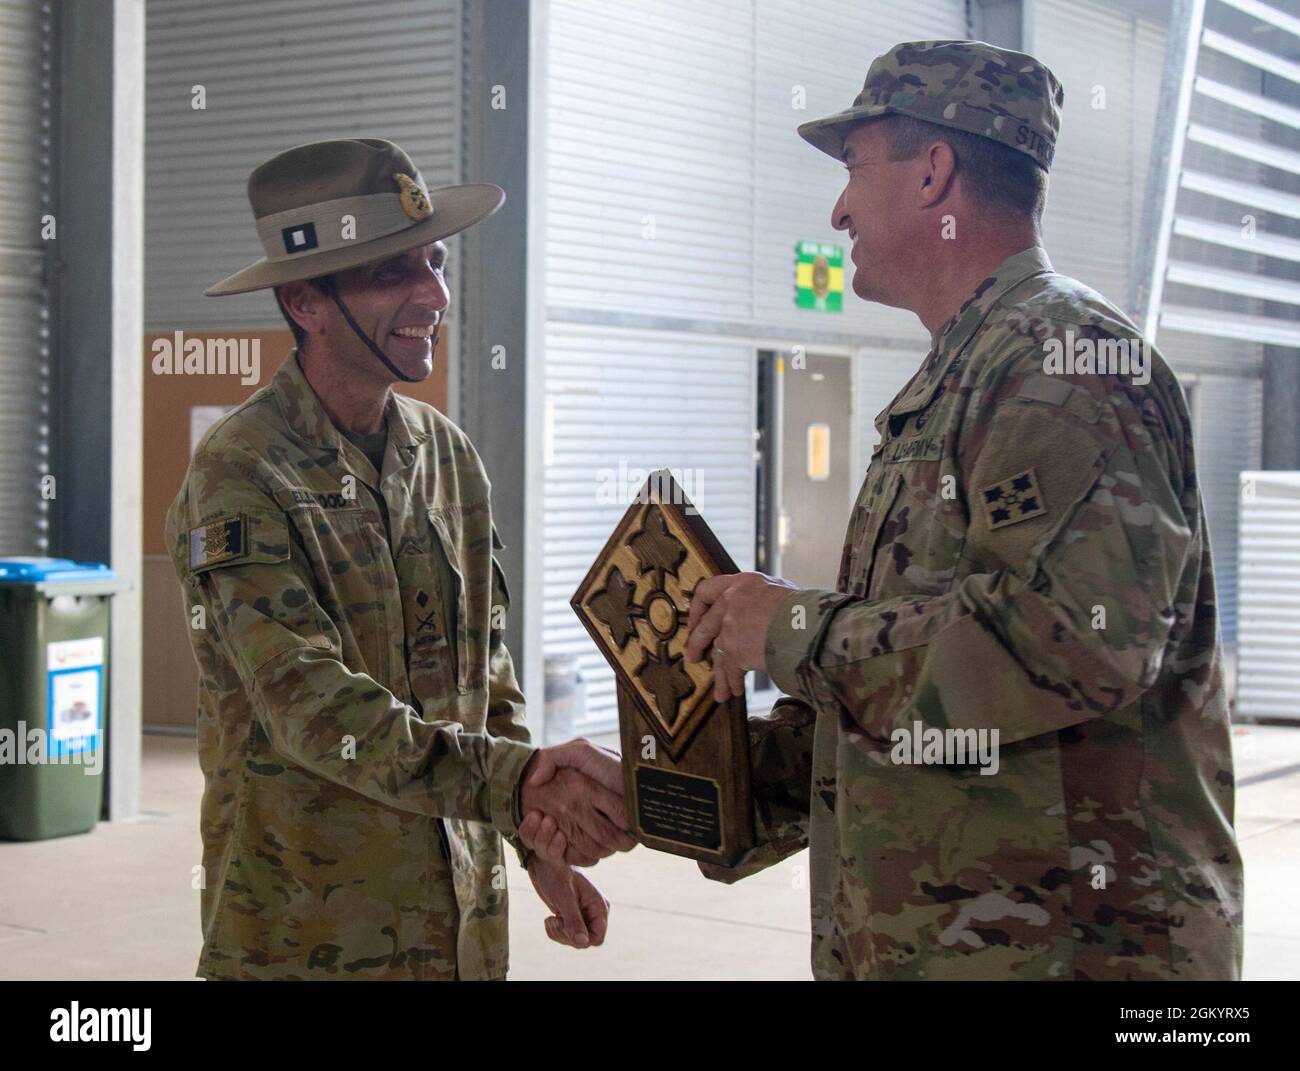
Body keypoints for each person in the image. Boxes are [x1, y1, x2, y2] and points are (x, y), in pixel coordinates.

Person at [677, 40, 1243, 980]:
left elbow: (1068, 643)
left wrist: (793, 631)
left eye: (855, 168)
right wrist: (677, 788)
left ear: (933, 170)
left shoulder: (1064, 365)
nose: (839, 208)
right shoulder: (970, 374)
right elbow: (910, 710)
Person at [165, 138, 633, 980]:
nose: (434, 295)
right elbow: (309, 707)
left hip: (461, 935)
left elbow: (487, 681)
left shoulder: (449, 458)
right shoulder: (240, 472)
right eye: (394, 274)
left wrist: (538, 846)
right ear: (305, 300)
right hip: (309, 934)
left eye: (437, 262)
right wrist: (518, 783)